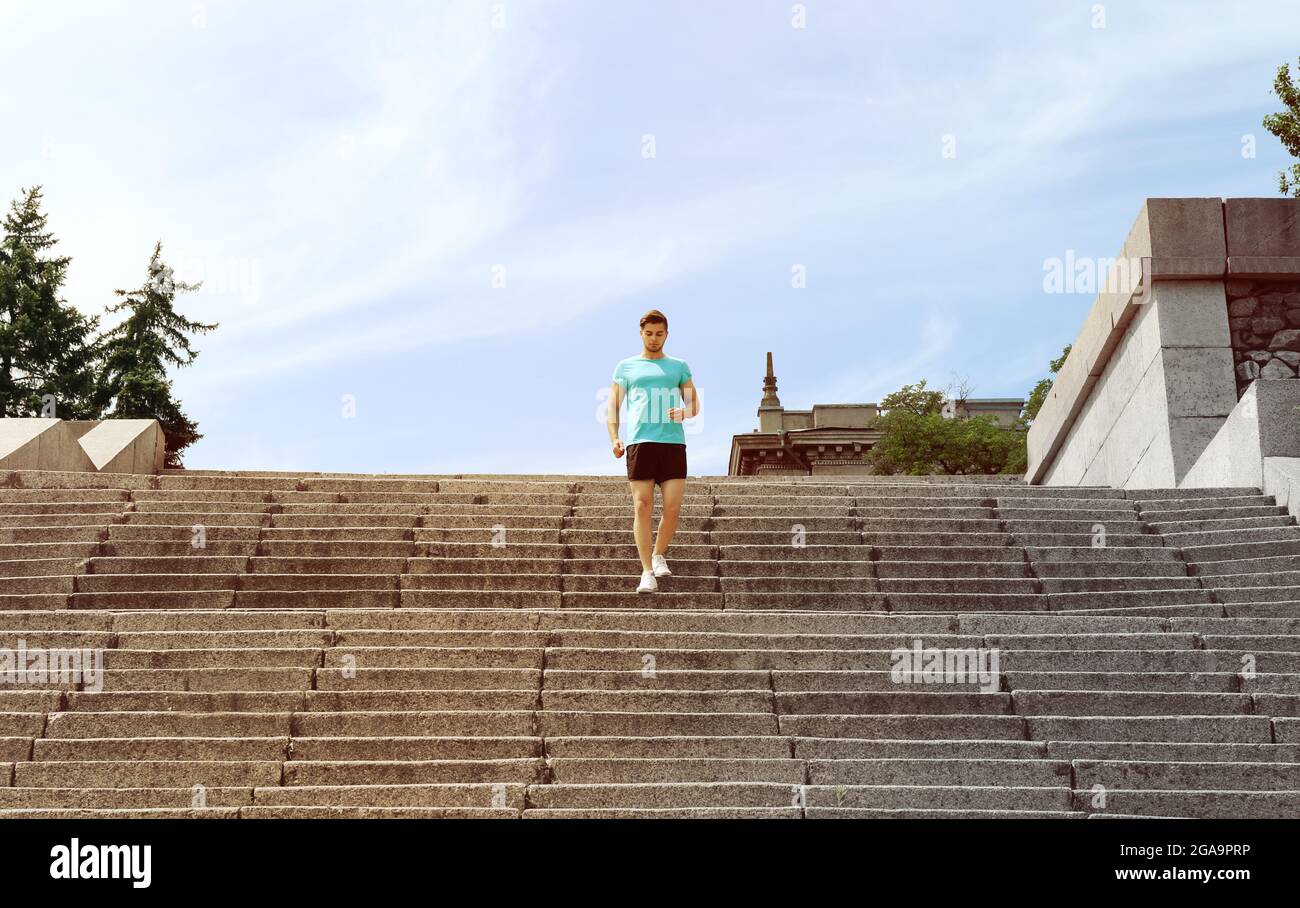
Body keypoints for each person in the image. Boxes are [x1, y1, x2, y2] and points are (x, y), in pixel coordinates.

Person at [607, 309, 699, 593]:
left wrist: (684, 413)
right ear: (641, 334)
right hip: (640, 442)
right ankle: (647, 571)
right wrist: (614, 437)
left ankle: (659, 554)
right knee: (642, 505)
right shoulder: (626, 367)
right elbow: (613, 405)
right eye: (649, 334)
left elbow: (694, 403)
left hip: (672, 443)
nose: (654, 339)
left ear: (666, 334)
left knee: (672, 508)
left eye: (659, 334)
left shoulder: (678, 366)